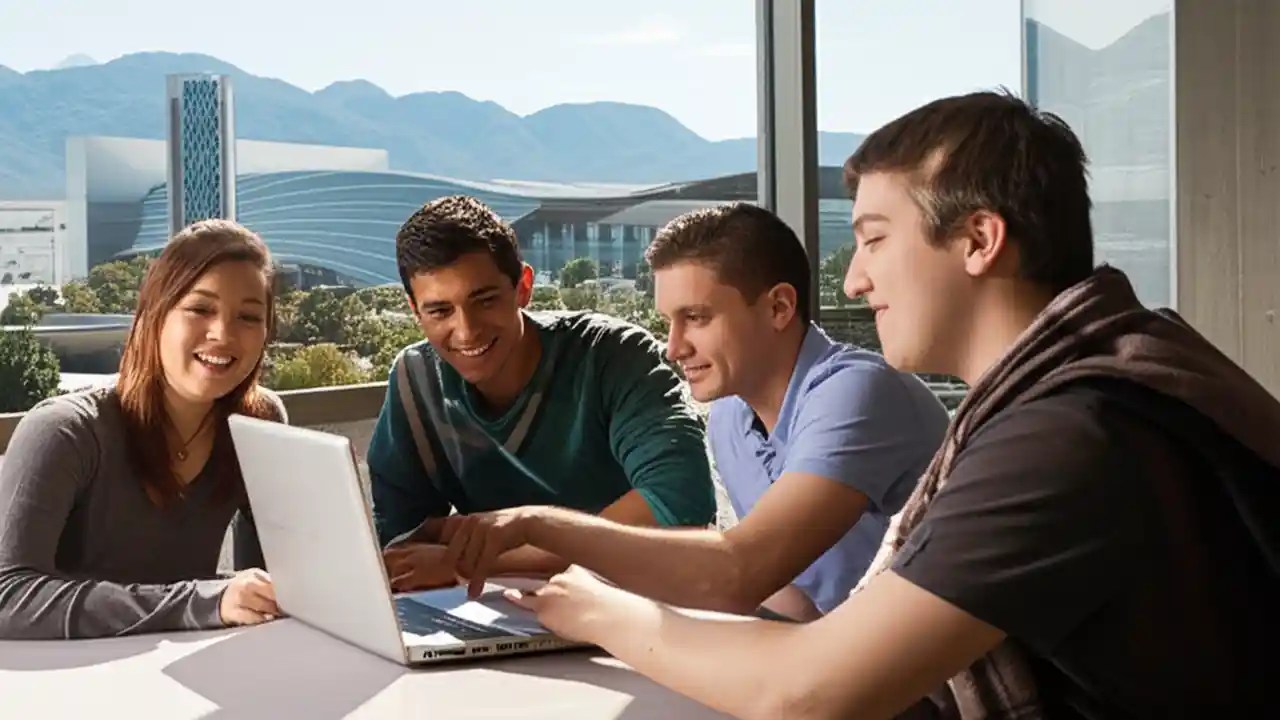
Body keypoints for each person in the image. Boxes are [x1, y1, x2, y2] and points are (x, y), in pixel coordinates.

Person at [489, 91, 1280, 719]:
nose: (855, 279)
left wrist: (595, 611)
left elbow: (810, 693)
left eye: (873, 238)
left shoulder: (1067, 436)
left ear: (979, 240)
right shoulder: (1079, 395)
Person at [437, 203, 949, 621]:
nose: (673, 346)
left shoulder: (856, 392)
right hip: (831, 660)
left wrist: (539, 526)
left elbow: (740, 571)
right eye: (669, 322)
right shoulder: (729, 416)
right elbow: (788, 596)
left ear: (779, 308)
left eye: (696, 318)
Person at [368, 195, 715, 590]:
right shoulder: (416, 380)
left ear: (523, 287)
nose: (466, 331)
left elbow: (679, 503)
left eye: (485, 301)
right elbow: (401, 542)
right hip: (502, 611)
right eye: (440, 311)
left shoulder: (613, 356)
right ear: (415, 310)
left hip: (643, 599)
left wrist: (478, 564)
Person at [0, 219, 289, 640]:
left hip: (188, 668)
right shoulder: (65, 432)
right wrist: (201, 602)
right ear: (155, 314)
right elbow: (8, 596)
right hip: (67, 673)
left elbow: (272, 584)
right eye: (200, 309)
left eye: (248, 316)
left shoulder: (259, 422)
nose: (223, 333)